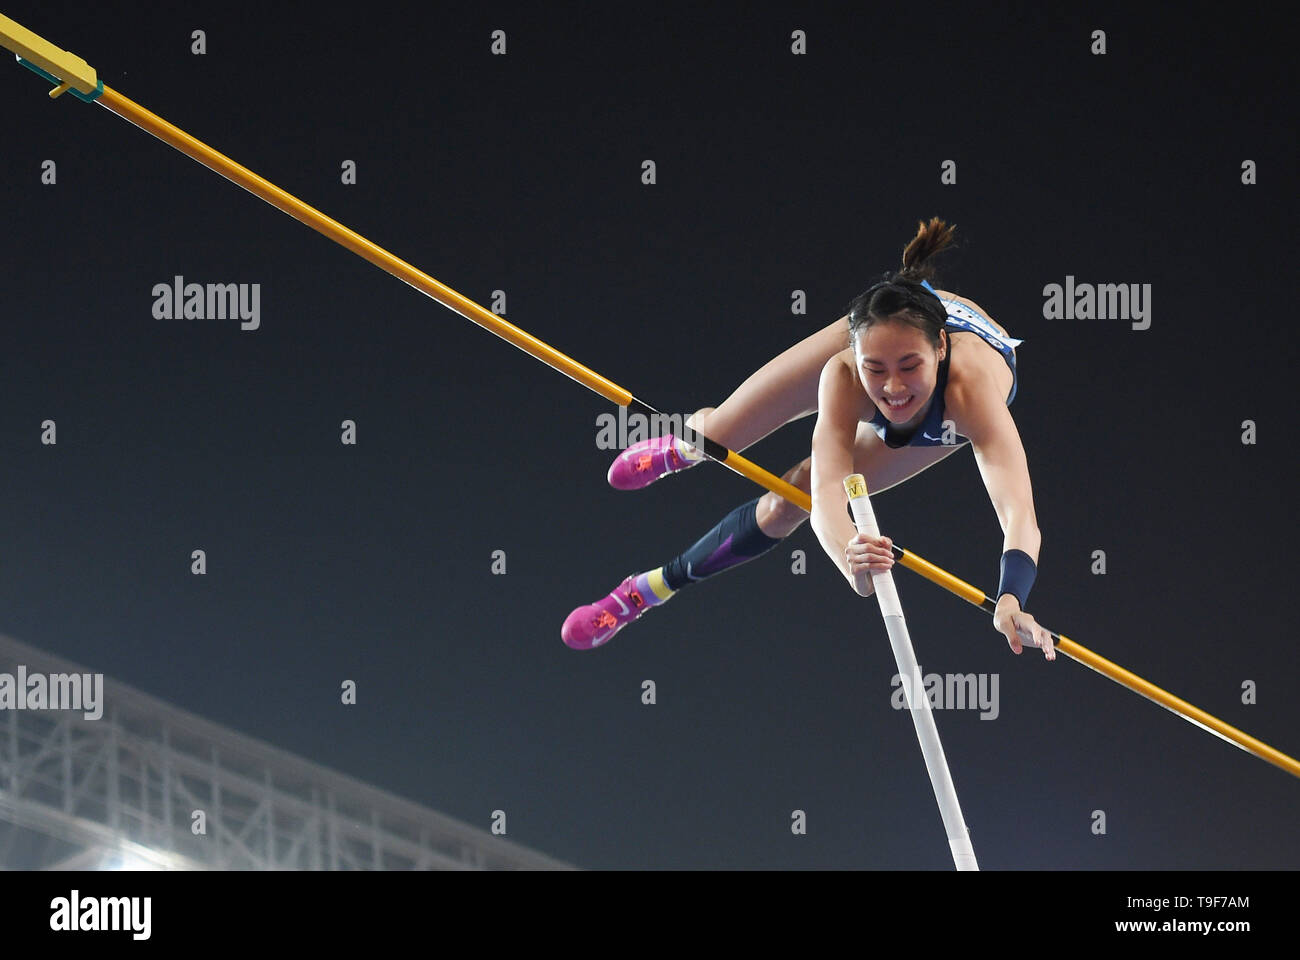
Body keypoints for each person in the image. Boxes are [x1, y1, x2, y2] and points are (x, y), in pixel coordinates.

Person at [562, 217, 1055, 661]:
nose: (893, 388)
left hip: (944, 385)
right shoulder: (843, 374)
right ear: (855, 355)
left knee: (787, 499)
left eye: (910, 368)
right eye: (875, 370)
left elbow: (1019, 515)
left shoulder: (971, 393)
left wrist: (1010, 600)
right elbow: (831, 497)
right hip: (888, 328)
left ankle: (641, 593)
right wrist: (848, 557)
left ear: (940, 348)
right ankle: (685, 444)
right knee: (721, 435)